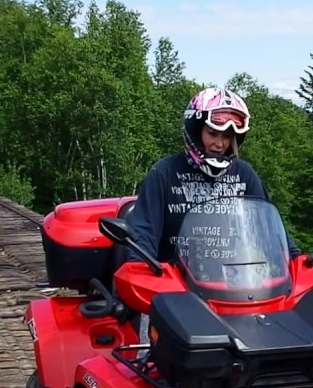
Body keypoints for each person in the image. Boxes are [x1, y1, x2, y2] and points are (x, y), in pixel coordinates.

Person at [125, 86, 301, 265]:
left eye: (227, 136)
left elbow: (270, 231)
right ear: (196, 131)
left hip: (237, 277)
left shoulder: (244, 175)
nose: (220, 143)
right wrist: (139, 267)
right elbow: (143, 234)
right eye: (213, 133)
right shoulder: (164, 173)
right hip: (175, 279)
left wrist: (295, 261)